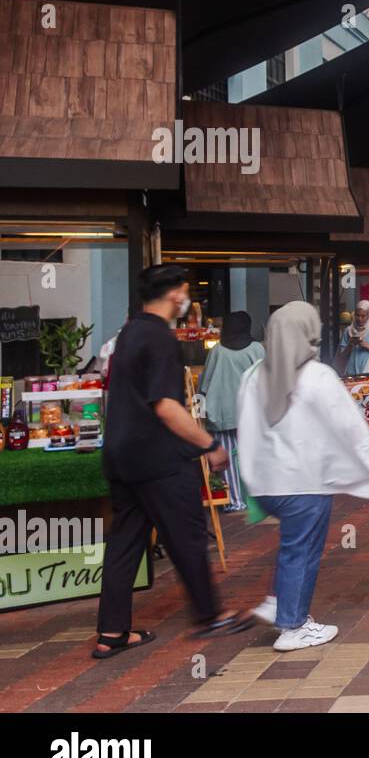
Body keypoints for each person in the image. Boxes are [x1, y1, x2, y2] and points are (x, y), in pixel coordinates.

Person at [94, 265, 255, 659]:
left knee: (125, 544)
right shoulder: (160, 338)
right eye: (185, 291)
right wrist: (209, 445)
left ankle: (111, 634)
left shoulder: (128, 332)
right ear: (173, 294)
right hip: (158, 458)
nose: (187, 299)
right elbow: (166, 407)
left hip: (121, 455)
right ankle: (210, 615)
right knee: (187, 536)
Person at [237, 302, 369, 651]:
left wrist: (251, 478)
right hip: (304, 484)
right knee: (303, 550)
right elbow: (349, 424)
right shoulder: (317, 375)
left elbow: (244, 430)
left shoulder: (253, 376)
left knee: (292, 544)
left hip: (267, 484)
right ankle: (294, 627)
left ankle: (279, 602)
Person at [198, 311, 264, 511]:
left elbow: (204, 383)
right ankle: (255, 498)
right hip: (250, 413)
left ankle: (234, 501)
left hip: (221, 413)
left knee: (228, 458)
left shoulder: (217, 350)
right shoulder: (257, 349)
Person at [336, 298, 369, 376]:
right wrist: (350, 345)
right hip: (351, 375)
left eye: (363, 316)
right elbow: (342, 356)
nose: (360, 319)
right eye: (357, 315)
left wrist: (366, 345)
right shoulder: (348, 331)